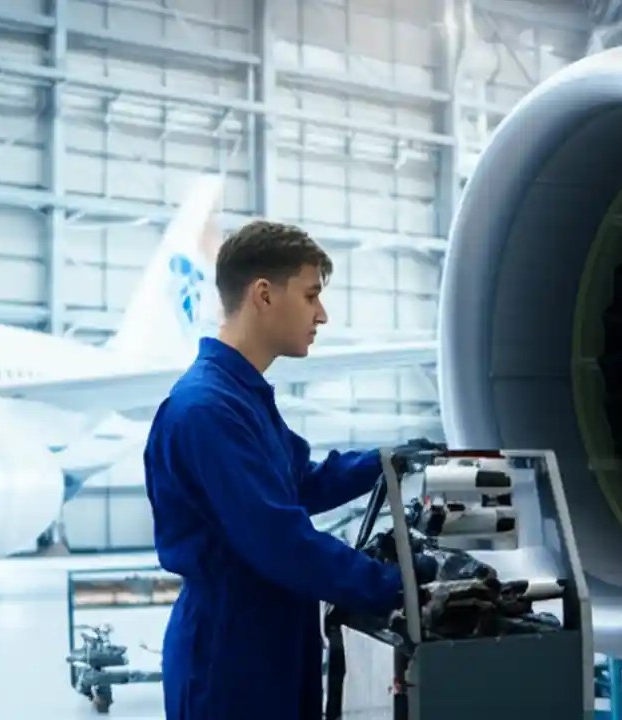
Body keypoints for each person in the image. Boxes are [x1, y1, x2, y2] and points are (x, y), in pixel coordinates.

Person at [143, 220, 432, 720]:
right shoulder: (208, 410)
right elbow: (280, 539)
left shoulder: (242, 397)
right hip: (230, 655)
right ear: (263, 295)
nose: (322, 314)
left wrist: (385, 461)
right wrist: (397, 585)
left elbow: (297, 484)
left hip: (272, 639)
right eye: (311, 294)